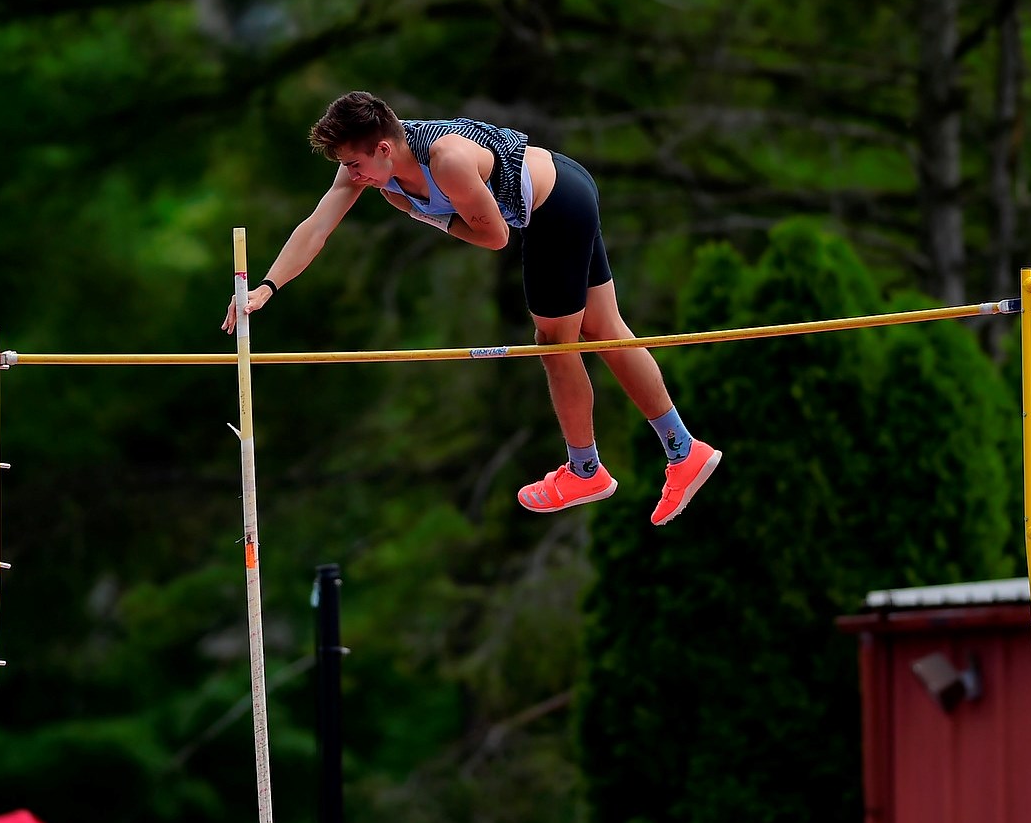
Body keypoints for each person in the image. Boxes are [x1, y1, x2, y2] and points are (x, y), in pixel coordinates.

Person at [222, 91, 720, 525]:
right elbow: (316, 227)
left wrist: (427, 216)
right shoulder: (371, 169)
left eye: (354, 164)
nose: (350, 175)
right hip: (561, 191)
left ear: (383, 148)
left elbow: (496, 236)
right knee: (604, 329)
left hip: (554, 206)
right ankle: (684, 449)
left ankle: (585, 470)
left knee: (554, 344)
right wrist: (267, 287)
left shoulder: (448, 161)